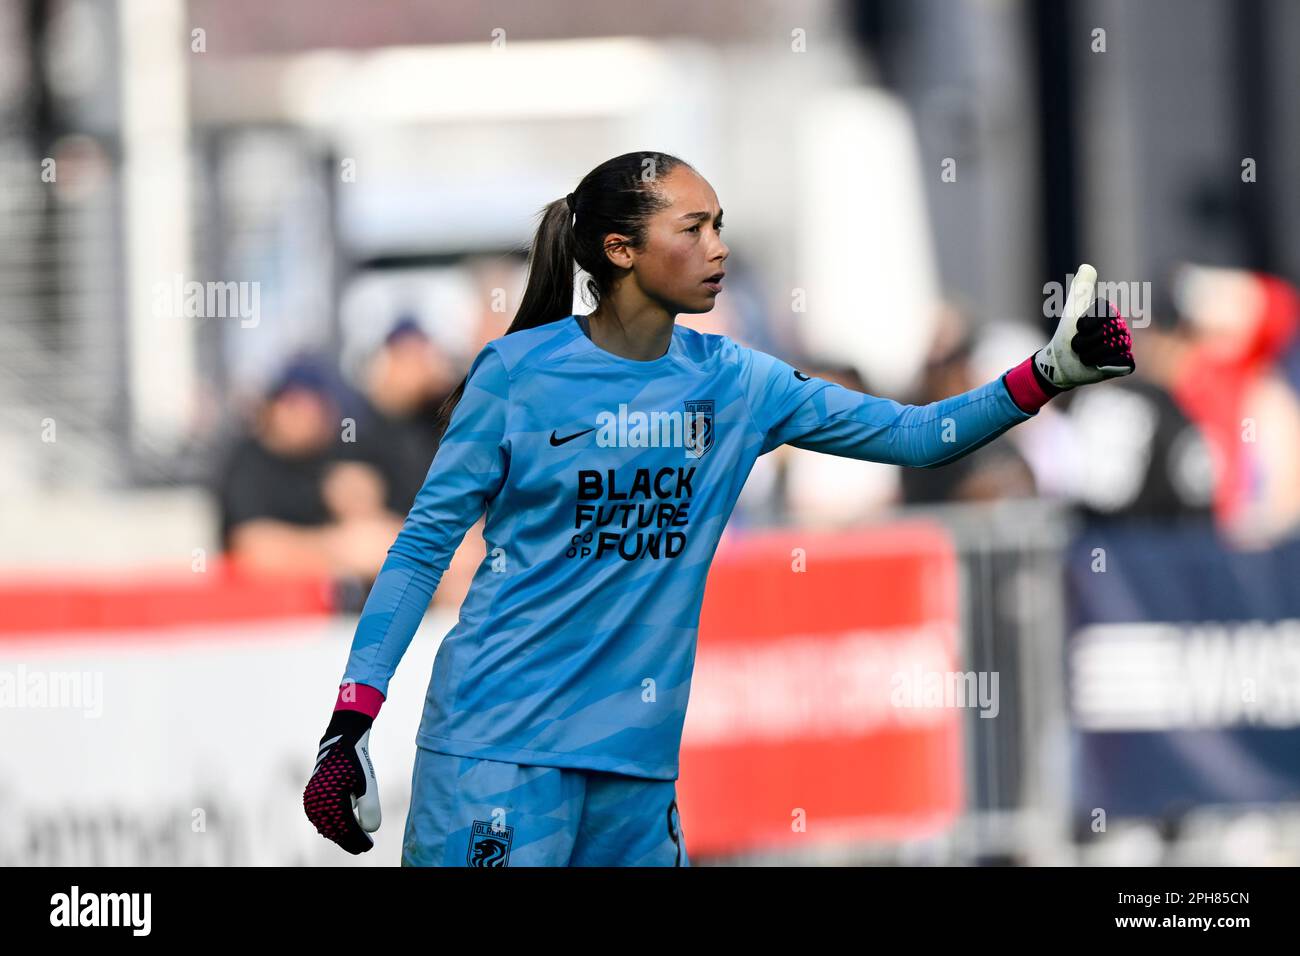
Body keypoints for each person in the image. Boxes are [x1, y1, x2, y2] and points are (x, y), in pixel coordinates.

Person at [302, 151, 1135, 866]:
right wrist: (350, 725)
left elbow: (916, 435)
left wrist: (1045, 376)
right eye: (693, 229)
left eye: (720, 225)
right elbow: (420, 550)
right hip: (496, 751)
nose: (719, 248)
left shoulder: (739, 381)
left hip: (635, 770)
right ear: (621, 250)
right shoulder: (517, 374)